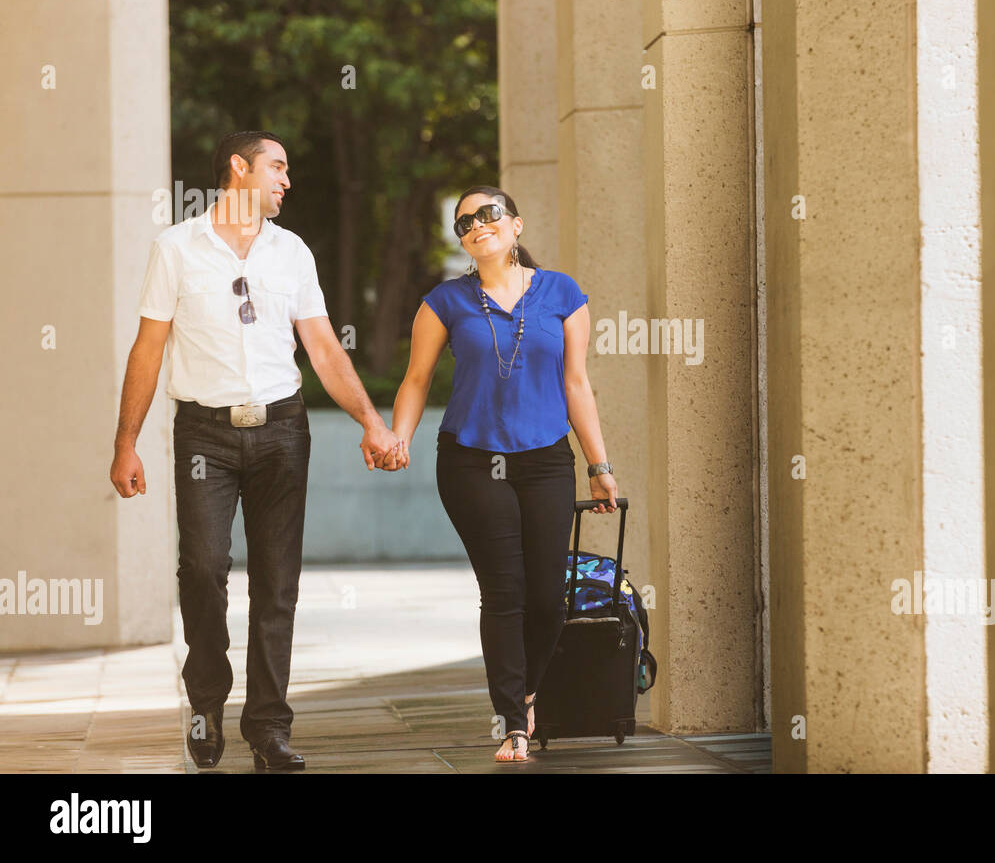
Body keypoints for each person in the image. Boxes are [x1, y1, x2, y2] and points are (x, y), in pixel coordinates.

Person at [109, 131, 402, 772]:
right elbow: (147, 350)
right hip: (203, 434)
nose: (287, 180)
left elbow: (322, 347)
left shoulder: (292, 252)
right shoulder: (176, 249)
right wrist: (125, 443)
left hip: (282, 430)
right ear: (237, 169)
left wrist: (370, 423)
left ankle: (268, 728)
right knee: (204, 570)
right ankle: (206, 702)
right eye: (278, 167)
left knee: (277, 584)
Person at [383, 186, 618, 762]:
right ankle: (513, 721)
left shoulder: (562, 293)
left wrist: (599, 465)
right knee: (505, 591)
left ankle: (528, 691)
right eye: (465, 222)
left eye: (488, 214)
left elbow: (576, 384)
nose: (476, 225)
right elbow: (417, 380)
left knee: (548, 599)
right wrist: (399, 437)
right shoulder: (444, 301)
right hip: (470, 458)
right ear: (462, 239)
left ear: (516, 224)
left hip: (544, 459)